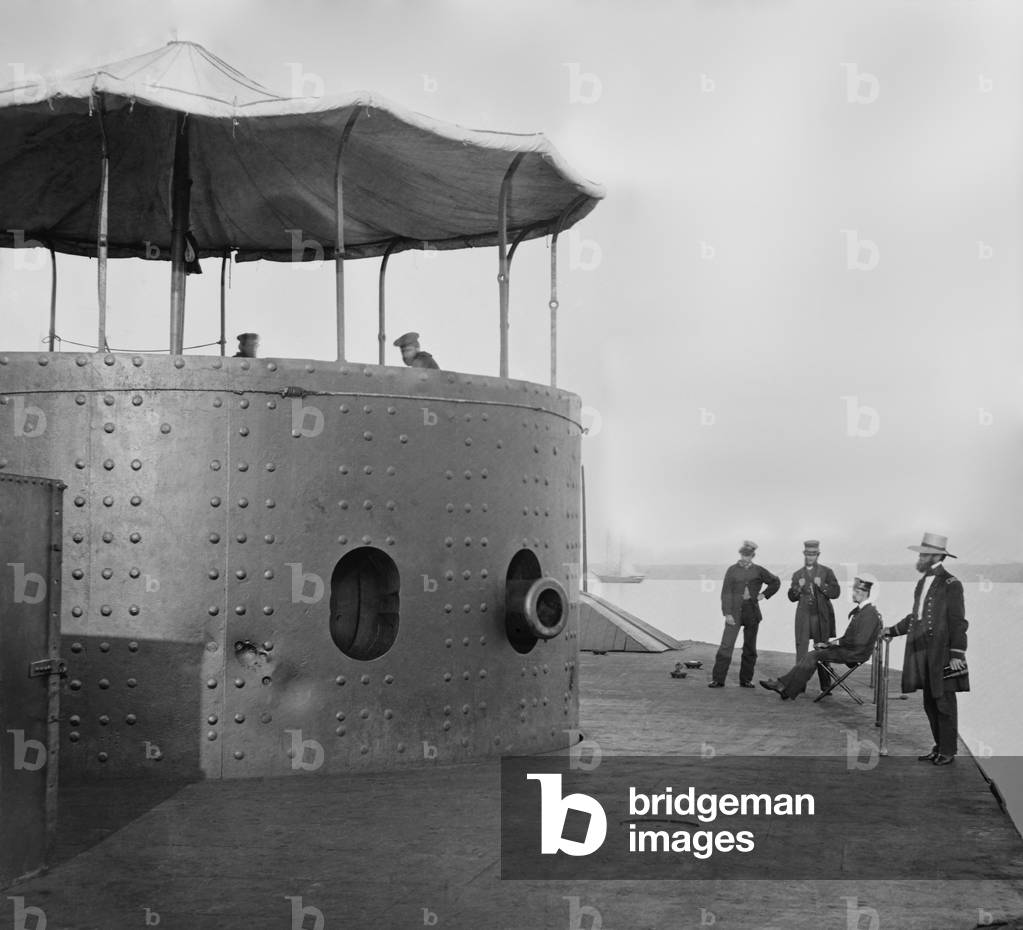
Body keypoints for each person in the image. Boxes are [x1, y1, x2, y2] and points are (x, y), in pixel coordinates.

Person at [884, 532, 968, 766]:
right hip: (921, 650)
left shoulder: (952, 584)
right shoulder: (923, 582)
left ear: (936, 555)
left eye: (923, 553)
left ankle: (948, 750)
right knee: (929, 701)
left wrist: (956, 655)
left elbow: (958, 621)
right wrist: (892, 630)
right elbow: (916, 617)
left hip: (942, 652)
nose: (920, 557)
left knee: (944, 702)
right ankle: (939, 746)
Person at [760, 577, 882, 700]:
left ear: (864, 593)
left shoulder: (869, 614)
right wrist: (829, 644)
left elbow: (860, 642)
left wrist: (833, 644)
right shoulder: (863, 611)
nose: (853, 594)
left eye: (856, 592)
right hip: (850, 649)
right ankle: (786, 689)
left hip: (855, 653)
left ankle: (783, 685)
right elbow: (850, 638)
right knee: (814, 653)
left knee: (813, 655)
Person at [709, 541, 780, 688]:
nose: (745, 558)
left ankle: (746, 680)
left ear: (752, 556)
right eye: (743, 555)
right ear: (740, 554)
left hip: (752, 613)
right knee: (726, 646)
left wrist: (764, 595)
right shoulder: (732, 570)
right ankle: (718, 679)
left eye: (748, 556)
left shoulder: (759, 570)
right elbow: (726, 593)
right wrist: (727, 613)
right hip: (734, 612)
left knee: (750, 647)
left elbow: (775, 582)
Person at [787, 540, 841, 693]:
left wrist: (822, 586)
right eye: (808, 554)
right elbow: (791, 597)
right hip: (804, 617)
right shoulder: (798, 574)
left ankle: (825, 686)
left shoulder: (826, 572)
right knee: (801, 650)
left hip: (820, 617)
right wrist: (798, 588)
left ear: (818, 554)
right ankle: (799, 685)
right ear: (804, 554)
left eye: (813, 554)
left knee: (822, 650)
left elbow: (836, 593)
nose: (810, 557)